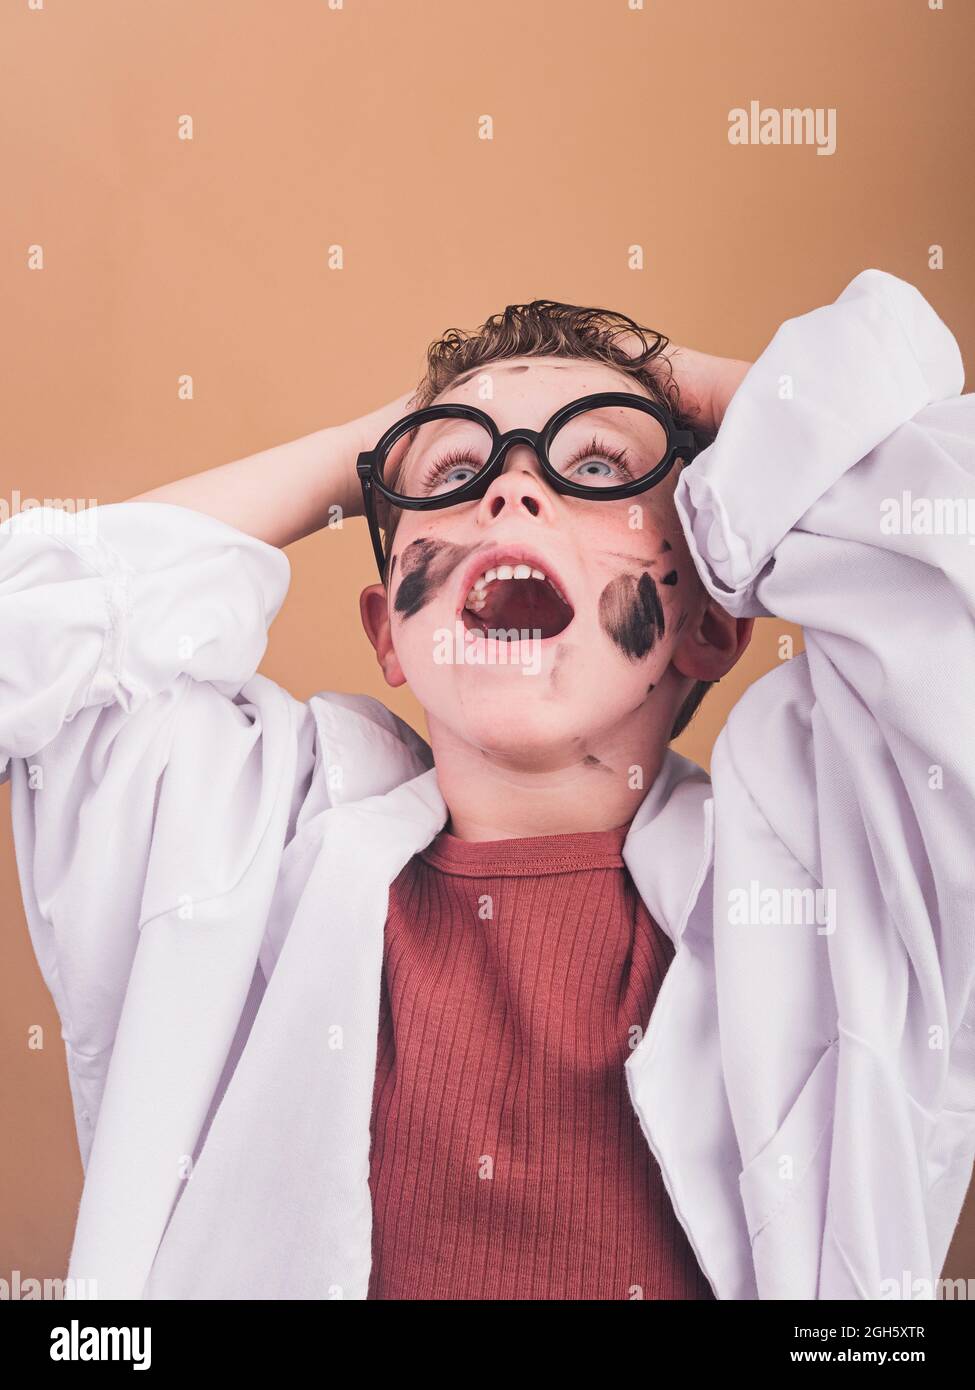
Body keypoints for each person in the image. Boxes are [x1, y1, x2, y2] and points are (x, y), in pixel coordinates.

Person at [1, 268, 972, 1301]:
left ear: (709, 621)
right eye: (459, 471)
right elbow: (36, 632)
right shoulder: (257, 847)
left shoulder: (835, 880)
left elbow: (940, 528)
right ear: (391, 635)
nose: (511, 490)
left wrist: (668, 386)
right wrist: (373, 449)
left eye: (596, 462)